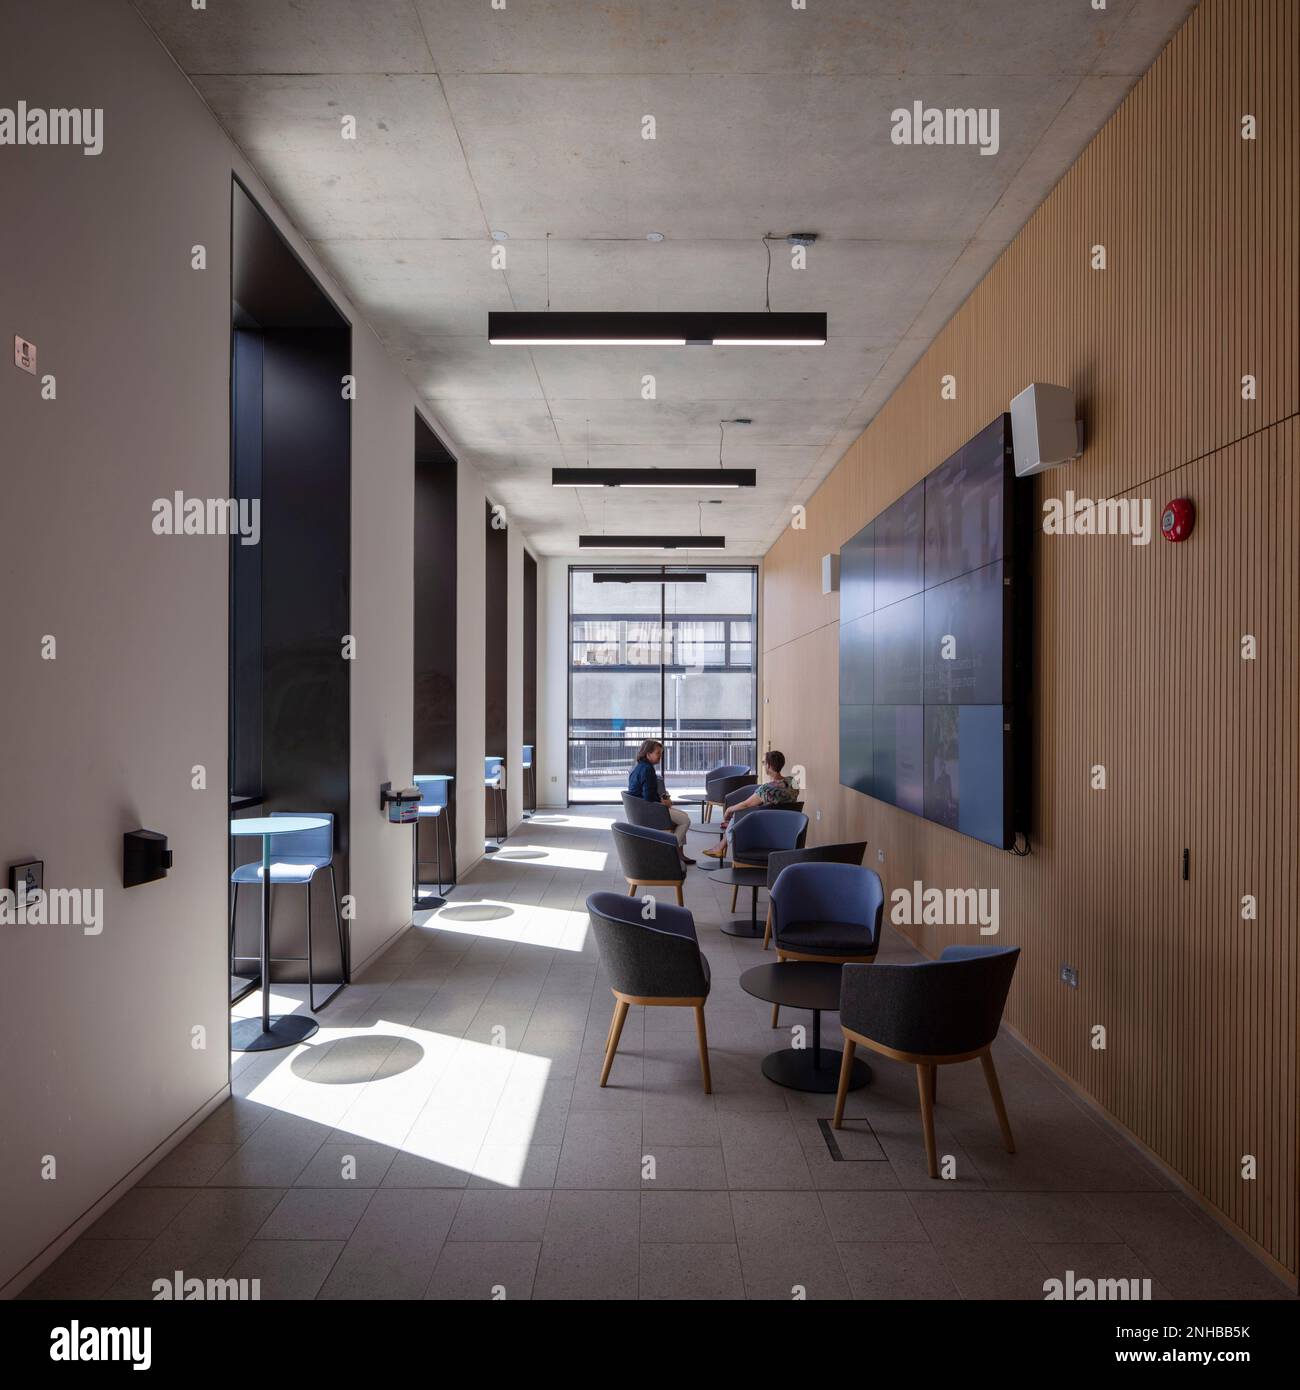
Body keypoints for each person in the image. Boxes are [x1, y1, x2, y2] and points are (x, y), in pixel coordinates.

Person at [701, 749, 797, 860]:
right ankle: (721, 845)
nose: (763, 765)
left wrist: (729, 810)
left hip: (767, 826)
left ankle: (720, 846)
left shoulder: (767, 789)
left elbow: (746, 804)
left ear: (769, 766)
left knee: (739, 814)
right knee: (742, 815)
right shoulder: (792, 782)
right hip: (788, 824)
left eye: (764, 763)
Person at [627, 739, 695, 866]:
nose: (661, 756)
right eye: (658, 753)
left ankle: (679, 856)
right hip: (649, 811)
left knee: (681, 818)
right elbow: (649, 797)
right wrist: (664, 802)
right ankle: (669, 850)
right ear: (648, 754)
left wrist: (662, 799)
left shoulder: (638, 767)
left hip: (641, 810)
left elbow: (647, 793)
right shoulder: (648, 770)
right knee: (685, 821)